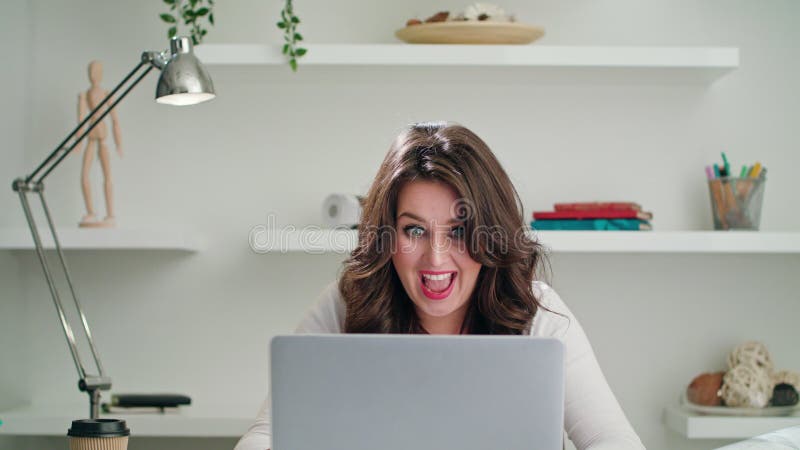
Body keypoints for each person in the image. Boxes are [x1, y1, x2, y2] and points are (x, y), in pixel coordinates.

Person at [235, 122, 645, 450]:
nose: (435, 257)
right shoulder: (345, 305)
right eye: (414, 229)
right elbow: (266, 435)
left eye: (458, 230)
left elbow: (612, 440)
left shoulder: (537, 312)